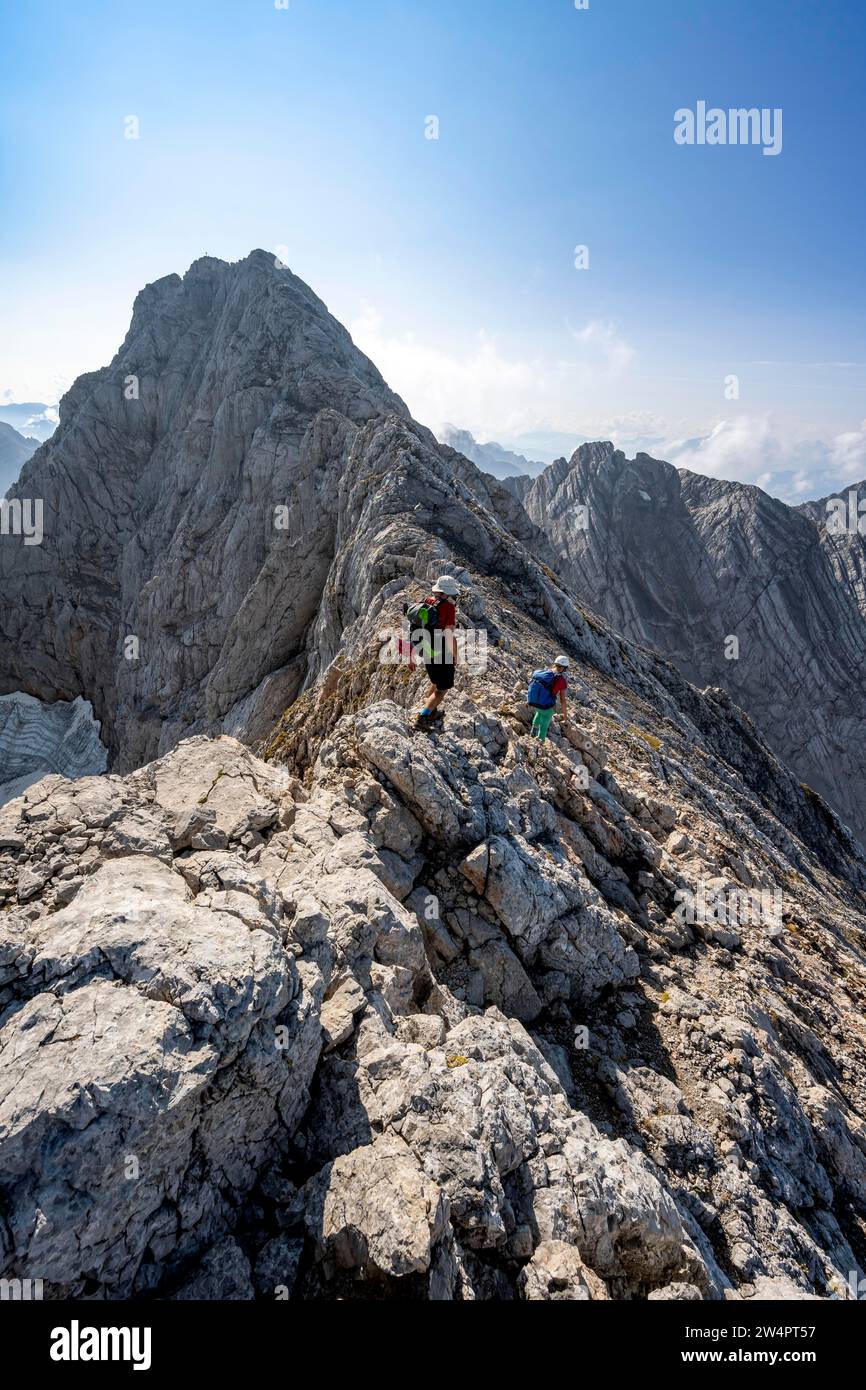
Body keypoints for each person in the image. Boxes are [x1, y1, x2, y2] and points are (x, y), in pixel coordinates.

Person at [416, 575, 460, 718]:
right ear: (447, 592)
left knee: (435, 682)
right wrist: (455, 655)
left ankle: (430, 708)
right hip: (441, 652)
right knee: (442, 689)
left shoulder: (427, 601)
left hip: (426, 648)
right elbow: (449, 635)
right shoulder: (449, 608)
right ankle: (423, 717)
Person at [526, 654, 570, 741]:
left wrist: (528, 700)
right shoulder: (561, 680)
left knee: (539, 713)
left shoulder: (543, 673)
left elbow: (532, 685)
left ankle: (532, 735)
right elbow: (562, 700)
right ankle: (540, 741)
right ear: (563, 668)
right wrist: (565, 717)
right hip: (547, 706)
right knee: (544, 722)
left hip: (535, 702)